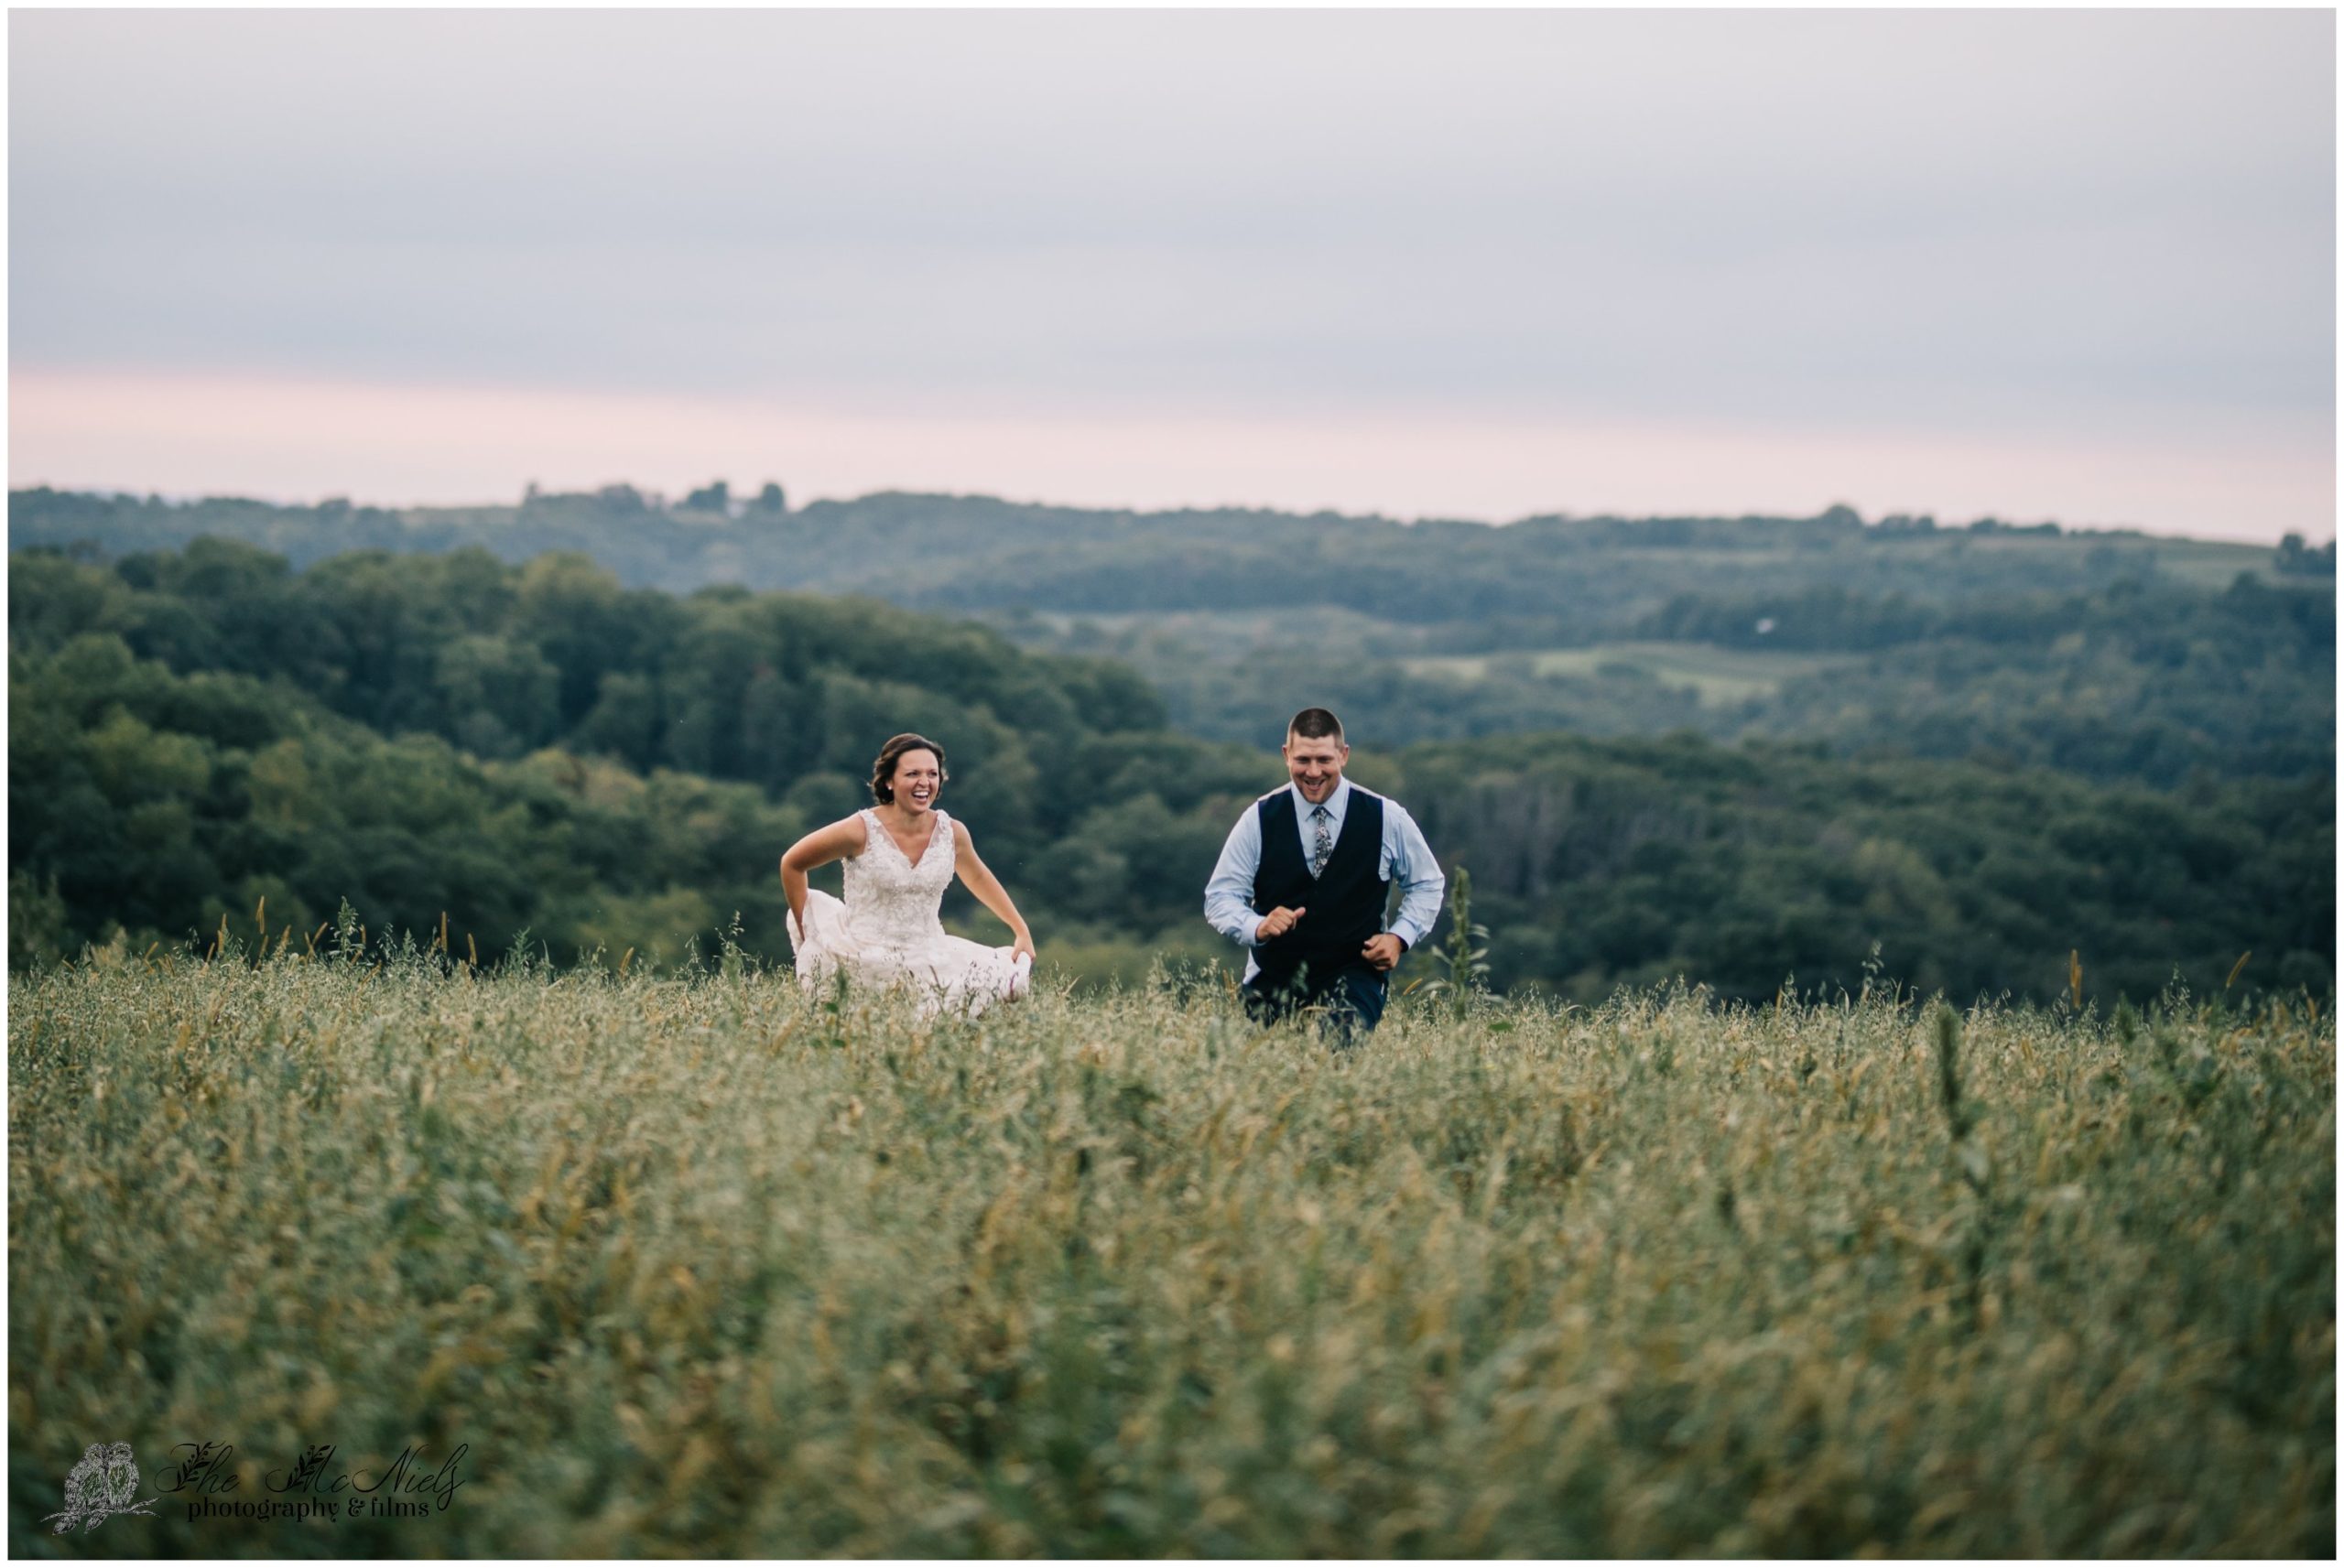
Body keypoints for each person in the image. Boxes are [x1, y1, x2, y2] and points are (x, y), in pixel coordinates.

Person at [1204, 707, 1445, 1044]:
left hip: (1355, 974)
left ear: (1343, 756)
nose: (1313, 772)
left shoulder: (1386, 817)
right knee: (1253, 1068)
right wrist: (1256, 926)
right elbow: (1220, 897)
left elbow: (1427, 884)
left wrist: (1399, 937)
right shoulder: (1259, 818)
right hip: (1273, 977)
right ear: (1286, 756)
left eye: (1324, 760)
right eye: (1303, 760)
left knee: (1338, 1044)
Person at [780, 732, 1035, 1016]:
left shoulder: (952, 832)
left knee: (1007, 987)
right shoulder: (860, 830)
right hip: (864, 953)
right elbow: (792, 864)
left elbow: (978, 878)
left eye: (932, 774)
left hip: (929, 951)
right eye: (912, 773)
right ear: (889, 780)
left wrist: (1020, 929)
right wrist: (807, 933)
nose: (924, 782)